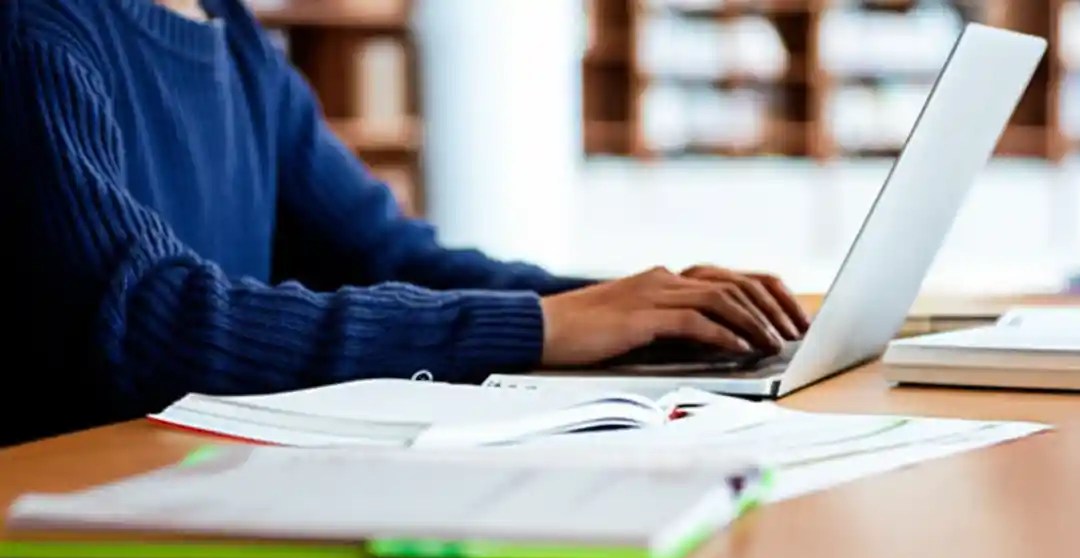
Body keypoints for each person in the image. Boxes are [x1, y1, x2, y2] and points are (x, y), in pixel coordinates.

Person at [0, 0, 810, 446]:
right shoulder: (34, 29)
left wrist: (633, 310)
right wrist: (536, 325)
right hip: (71, 533)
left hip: (195, 490)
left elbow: (383, 253)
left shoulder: (231, 34)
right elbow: (146, 323)